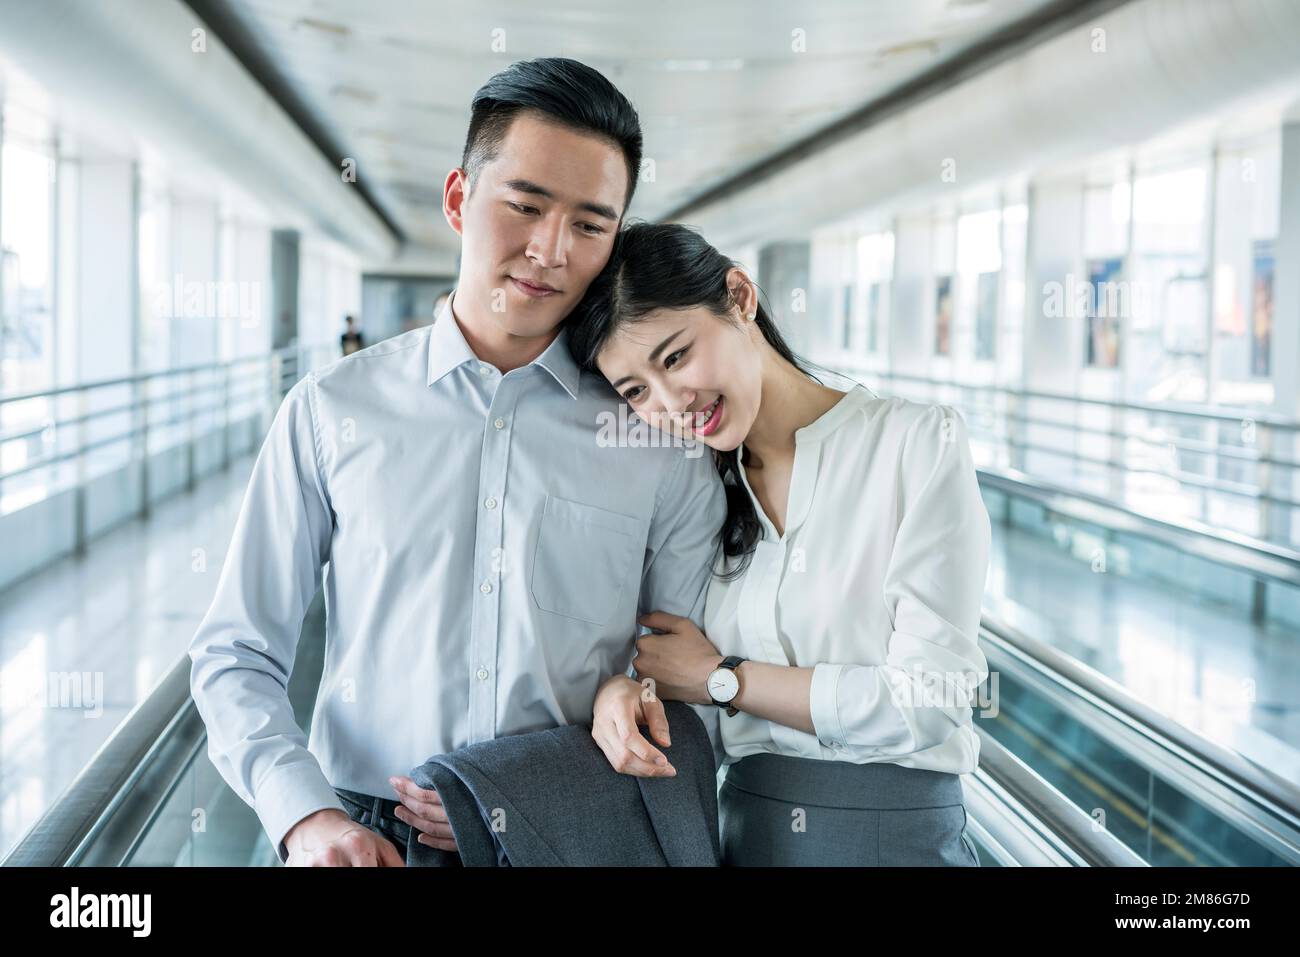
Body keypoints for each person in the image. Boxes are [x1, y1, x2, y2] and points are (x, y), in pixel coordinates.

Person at [188, 60, 725, 867]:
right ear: (457, 198)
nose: (550, 249)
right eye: (525, 205)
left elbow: (684, 685)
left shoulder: (655, 434)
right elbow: (237, 651)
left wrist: (548, 769)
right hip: (363, 832)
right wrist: (306, 818)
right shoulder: (334, 409)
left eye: (590, 224)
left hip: (571, 828)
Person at [565, 222, 991, 866]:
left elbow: (929, 699)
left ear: (739, 297)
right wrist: (623, 692)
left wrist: (723, 680)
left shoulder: (912, 444)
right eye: (635, 392)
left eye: (676, 357)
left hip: (896, 842)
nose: (671, 402)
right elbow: (669, 676)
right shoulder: (694, 493)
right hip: (743, 838)